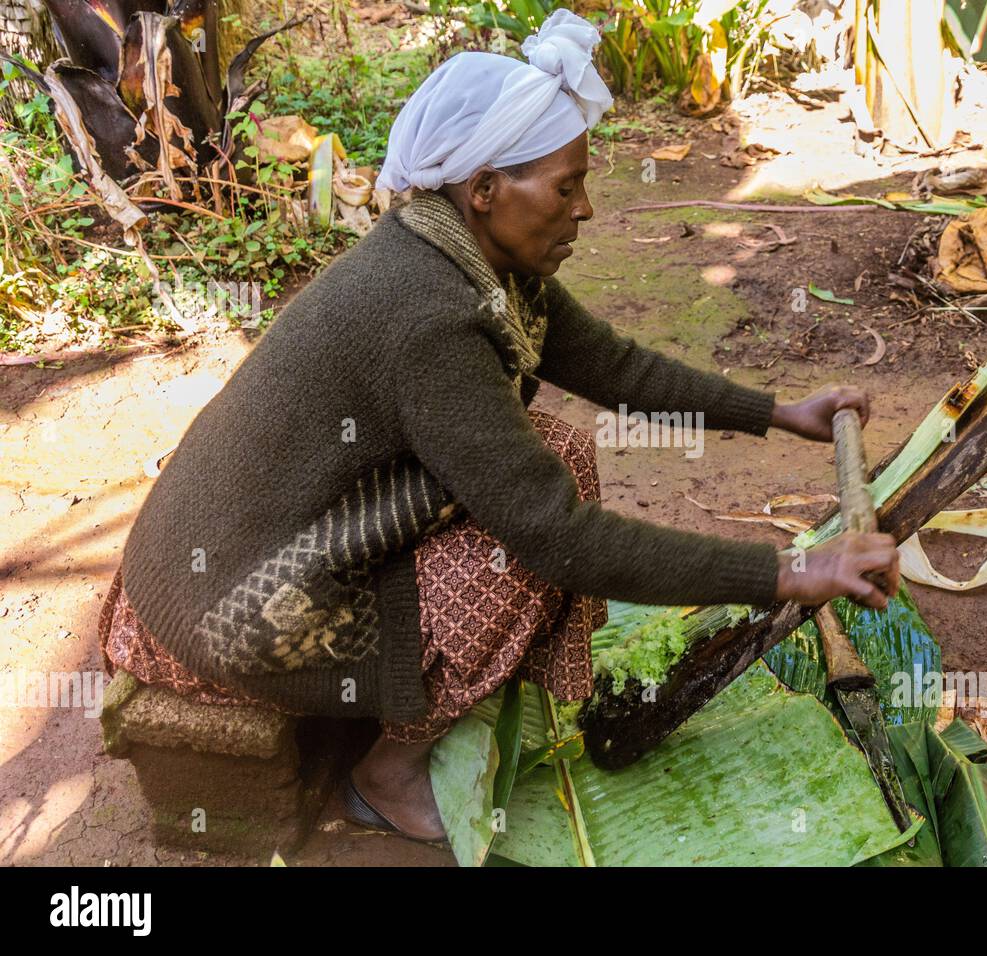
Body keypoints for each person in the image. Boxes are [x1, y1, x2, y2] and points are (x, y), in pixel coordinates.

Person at [99, 9, 900, 845]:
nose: (586, 209)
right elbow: (558, 538)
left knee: (555, 457)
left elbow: (611, 366)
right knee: (520, 555)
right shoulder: (432, 318)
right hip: (223, 601)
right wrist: (788, 571)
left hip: (260, 546)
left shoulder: (466, 254)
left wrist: (775, 414)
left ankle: (407, 717)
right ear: (486, 189)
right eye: (566, 186)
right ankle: (387, 773)